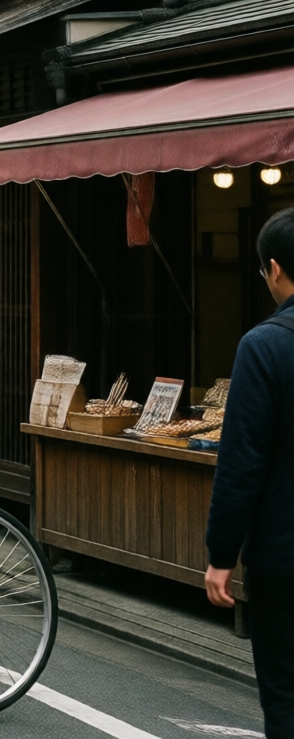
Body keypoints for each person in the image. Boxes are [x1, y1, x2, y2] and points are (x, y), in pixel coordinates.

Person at [206, 207, 294, 739]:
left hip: (285, 557)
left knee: (285, 697)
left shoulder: (264, 346)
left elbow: (242, 464)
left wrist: (221, 556)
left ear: (275, 269)